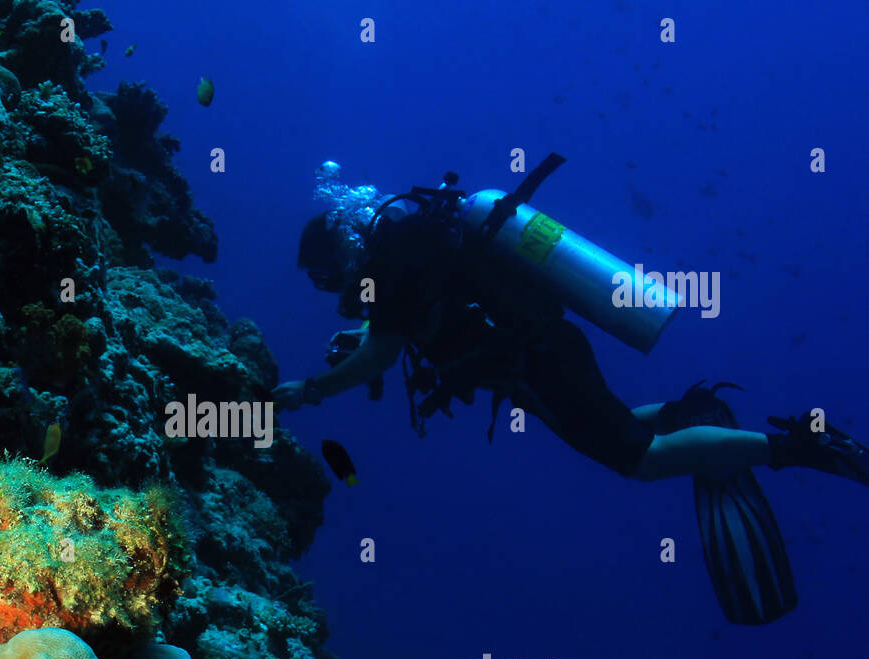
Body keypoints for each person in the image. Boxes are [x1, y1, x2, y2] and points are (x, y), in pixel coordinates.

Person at [273, 162, 869, 624]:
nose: (334, 290)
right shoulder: (406, 245)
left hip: (538, 362)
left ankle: (801, 449)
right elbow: (412, 322)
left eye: (325, 278)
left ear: (342, 248)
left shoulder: (390, 257)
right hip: (543, 355)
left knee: (638, 461)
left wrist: (313, 389)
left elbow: (383, 348)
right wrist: (361, 336)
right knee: (609, 430)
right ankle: (690, 412)